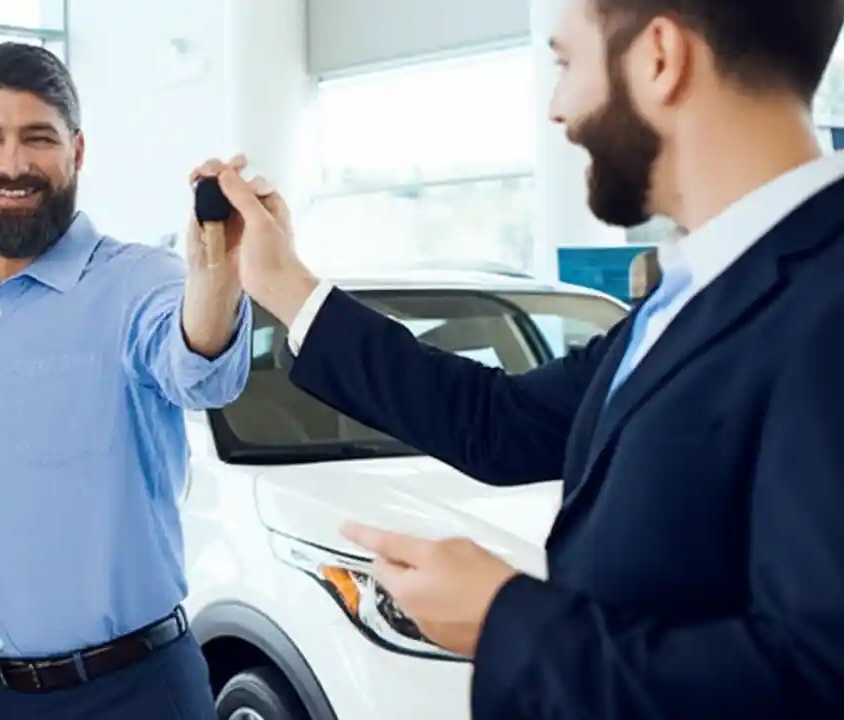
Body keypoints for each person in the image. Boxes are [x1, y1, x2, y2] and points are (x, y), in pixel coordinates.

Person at [202, 0, 844, 717]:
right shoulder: (698, 290)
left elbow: (815, 679)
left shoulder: (826, 304)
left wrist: (504, 620)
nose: (556, 108)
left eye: (566, 62)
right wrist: (284, 285)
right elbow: (499, 421)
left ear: (660, 58)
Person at [0, 44, 252, 719]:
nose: (13, 164)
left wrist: (216, 274)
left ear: (76, 150)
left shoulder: (140, 281)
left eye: (38, 138)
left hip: (132, 693)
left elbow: (199, 372)